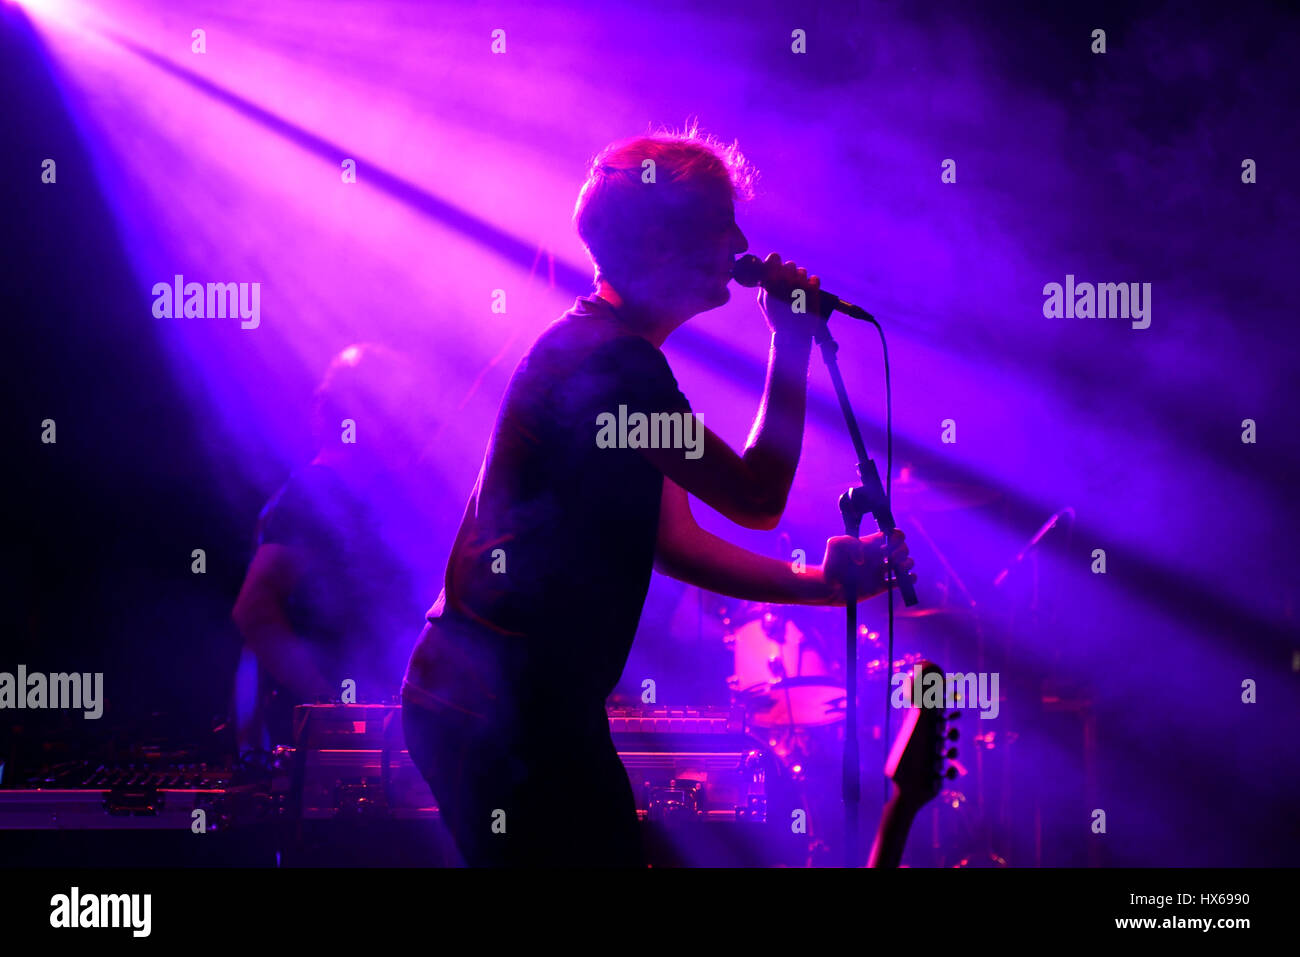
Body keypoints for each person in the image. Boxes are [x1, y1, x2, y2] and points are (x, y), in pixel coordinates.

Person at [401, 127, 914, 867]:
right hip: (503, 713)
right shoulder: (612, 365)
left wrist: (822, 585)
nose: (740, 241)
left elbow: (674, 540)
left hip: (505, 705)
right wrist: (792, 341)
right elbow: (757, 495)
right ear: (664, 240)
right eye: (720, 223)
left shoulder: (617, 357)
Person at [232, 343, 439, 749]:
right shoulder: (318, 491)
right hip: (315, 741)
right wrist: (333, 708)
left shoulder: (343, 491)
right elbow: (254, 610)